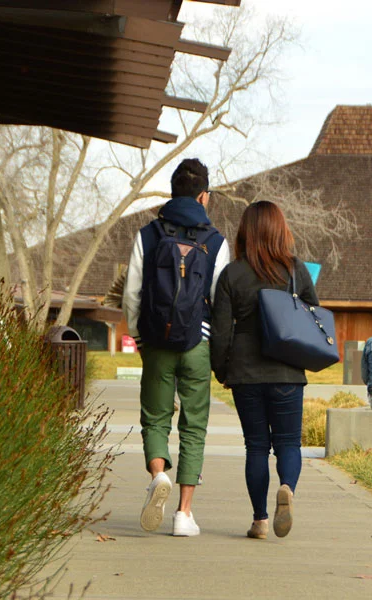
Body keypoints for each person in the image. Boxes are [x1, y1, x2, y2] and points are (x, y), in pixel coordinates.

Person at [122, 158, 231, 536]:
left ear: (172, 193)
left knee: (154, 416)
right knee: (194, 426)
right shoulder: (216, 241)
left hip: (156, 341)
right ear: (204, 196)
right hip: (196, 343)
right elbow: (220, 302)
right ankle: (184, 515)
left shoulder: (148, 235)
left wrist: (139, 338)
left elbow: (132, 294)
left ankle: (158, 475)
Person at [210, 201, 317, 540]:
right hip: (287, 369)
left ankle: (260, 520)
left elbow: (220, 330)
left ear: (245, 232)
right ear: (280, 231)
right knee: (288, 443)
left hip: (246, 372)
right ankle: (287, 487)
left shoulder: (232, 274)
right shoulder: (297, 271)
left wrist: (222, 370)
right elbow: (313, 318)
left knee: (256, 446)